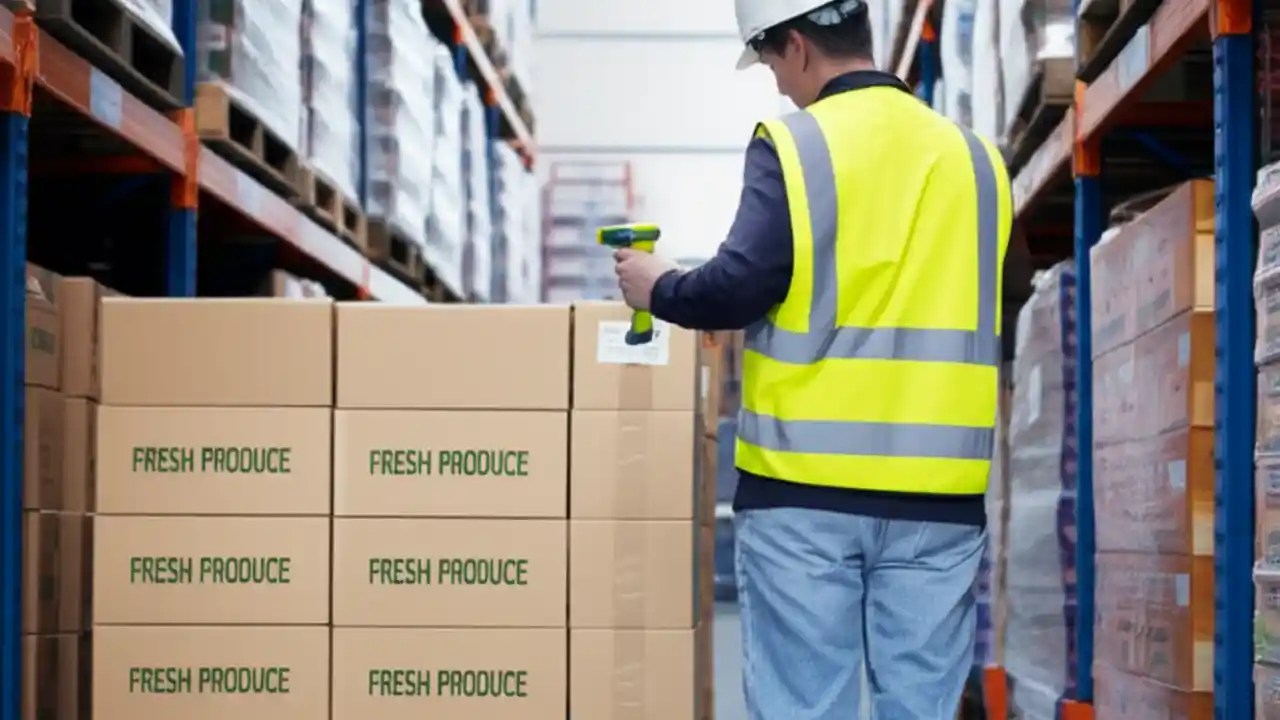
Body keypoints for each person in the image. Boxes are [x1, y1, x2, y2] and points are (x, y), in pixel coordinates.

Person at [610, 1, 1012, 717]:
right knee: (920, 706)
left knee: (804, 706)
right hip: (942, 500)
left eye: (768, 62)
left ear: (796, 45)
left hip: (805, 491)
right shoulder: (976, 159)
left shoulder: (796, 145)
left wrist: (660, 286)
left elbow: (739, 284)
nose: (775, 84)